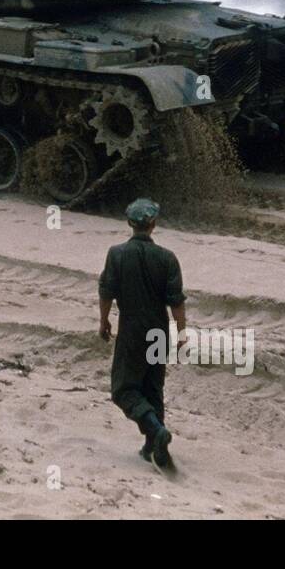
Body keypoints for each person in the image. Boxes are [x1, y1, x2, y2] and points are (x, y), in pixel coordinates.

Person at [98, 197, 186, 469]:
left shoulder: (117, 254)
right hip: (159, 330)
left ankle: (155, 432)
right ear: (153, 224)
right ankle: (153, 447)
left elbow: (106, 291)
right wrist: (182, 334)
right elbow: (176, 301)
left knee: (123, 389)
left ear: (129, 224)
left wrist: (103, 322)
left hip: (132, 330)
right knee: (153, 388)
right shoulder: (168, 258)